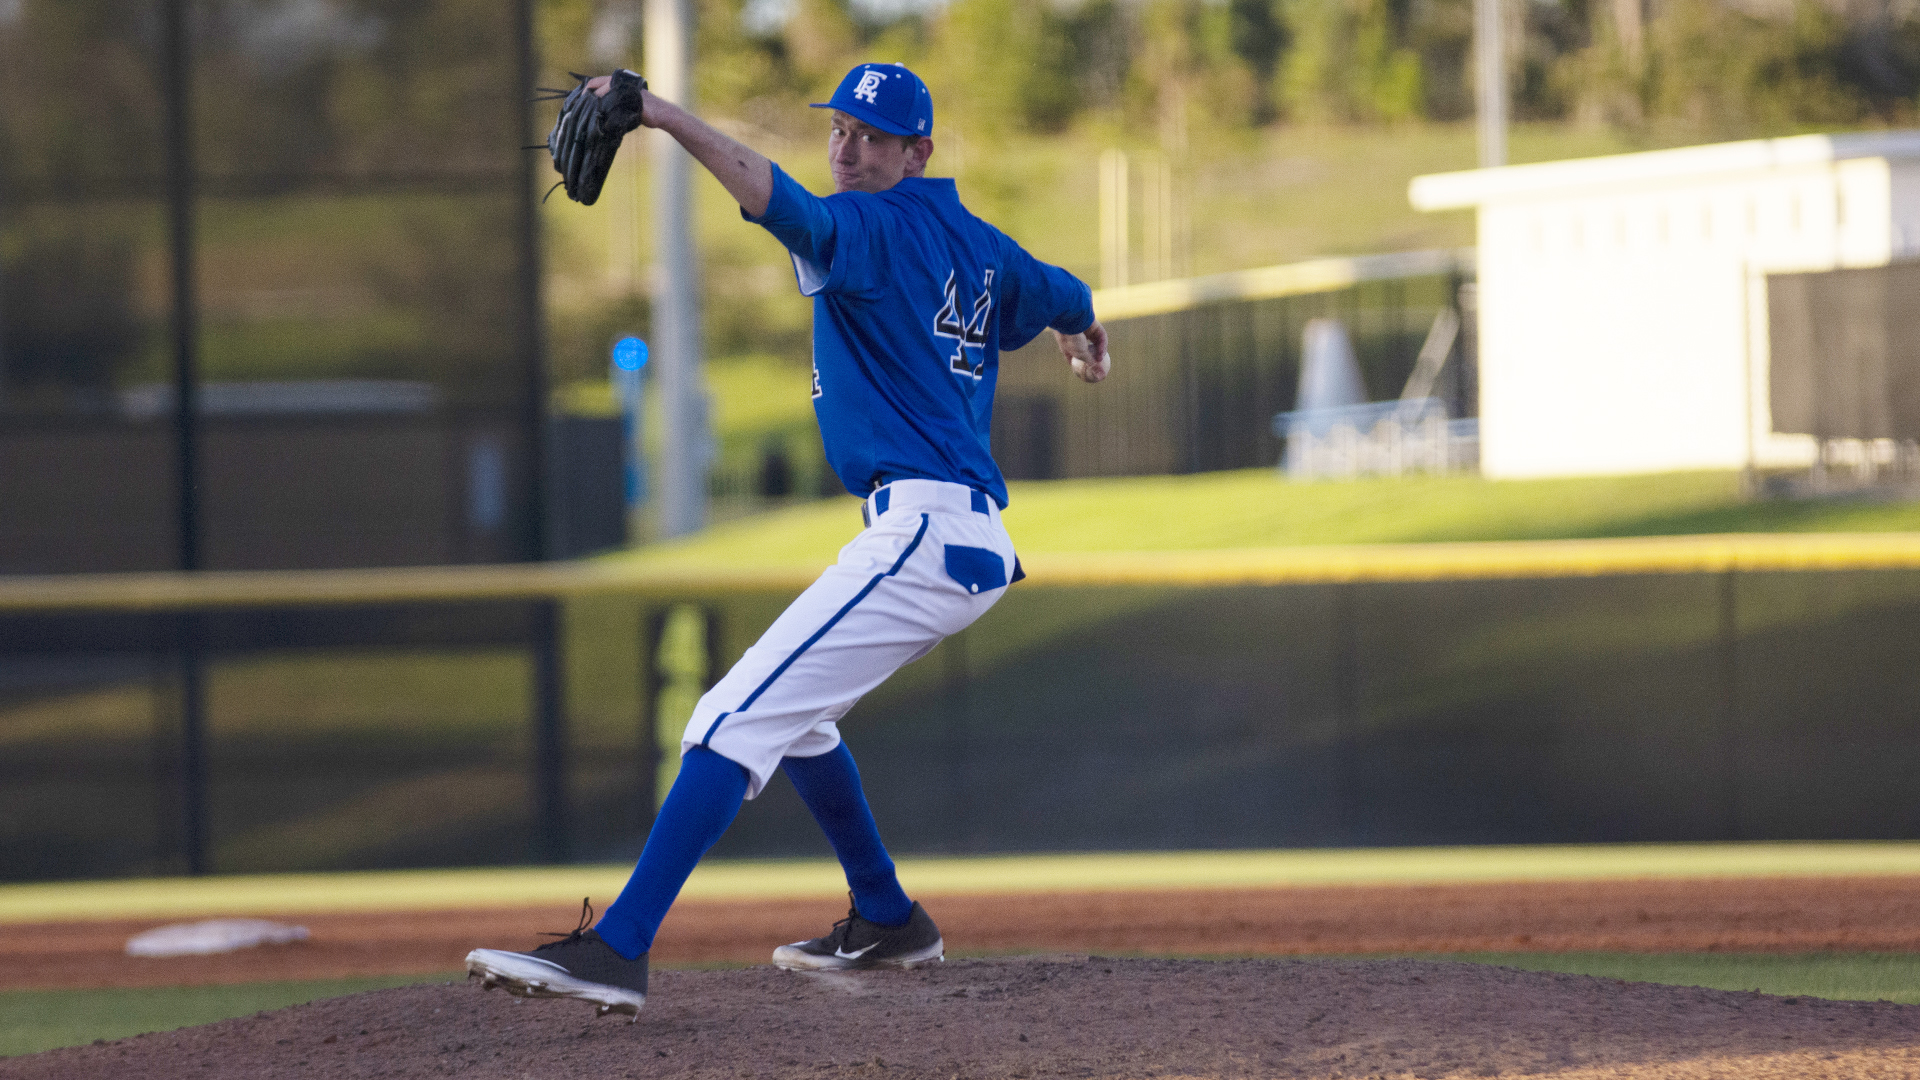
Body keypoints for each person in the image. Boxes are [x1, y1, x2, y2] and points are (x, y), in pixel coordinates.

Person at [465, 61, 1110, 1019]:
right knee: (801, 722)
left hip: (922, 532)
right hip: (953, 539)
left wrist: (661, 114)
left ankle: (619, 947)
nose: (848, 149)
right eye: (839, 129)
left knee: (727, 718)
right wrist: (1082, 326)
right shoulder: (979, 243)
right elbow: (1062, 288)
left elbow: (778, 201)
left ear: (917, 153)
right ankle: (887, 915)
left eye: (872, 137)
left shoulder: (871, 228)